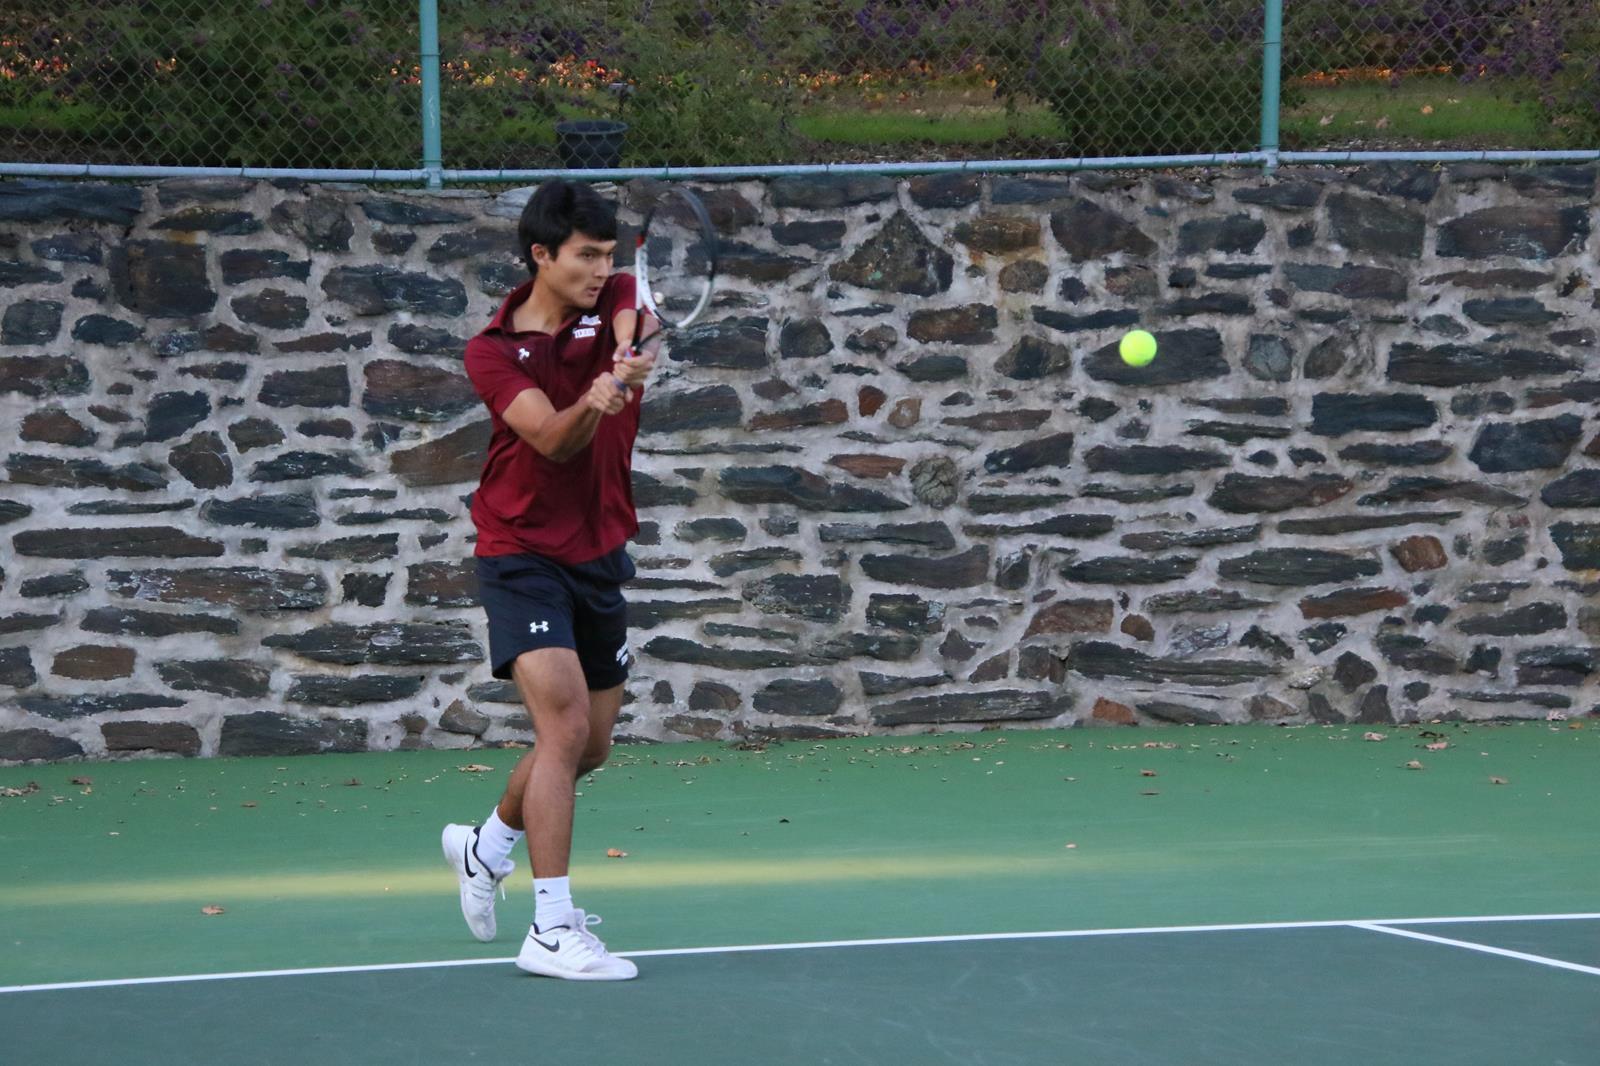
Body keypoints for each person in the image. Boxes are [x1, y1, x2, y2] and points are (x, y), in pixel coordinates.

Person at [441, 179, 656, 981]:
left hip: (599, 551)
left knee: (590, 747)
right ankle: (552, 930)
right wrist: (600, 397)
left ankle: (486, 843)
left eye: (607, 253)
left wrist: (630, 353)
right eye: (585, 256)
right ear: (541, 256)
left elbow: (635, 306)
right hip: (519, 550)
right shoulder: (491, 350)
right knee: (562, 729)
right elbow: (552, 442)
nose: (601, 268)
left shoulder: (618, 297)